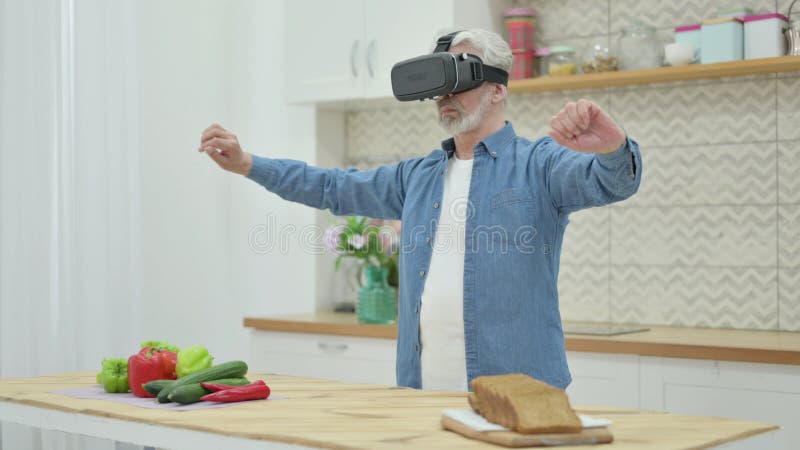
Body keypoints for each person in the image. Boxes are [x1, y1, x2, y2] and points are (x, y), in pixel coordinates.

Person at [198, 29, 642, 391]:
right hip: (422, 396)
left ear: (497, 89)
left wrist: (614, 147)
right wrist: (248, 164)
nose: (445, 96)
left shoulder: (540, 164)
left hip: (522, 400)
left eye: (460, 79)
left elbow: (611, 180)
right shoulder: (418, 177)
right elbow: (333, 186)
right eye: (438, 85)